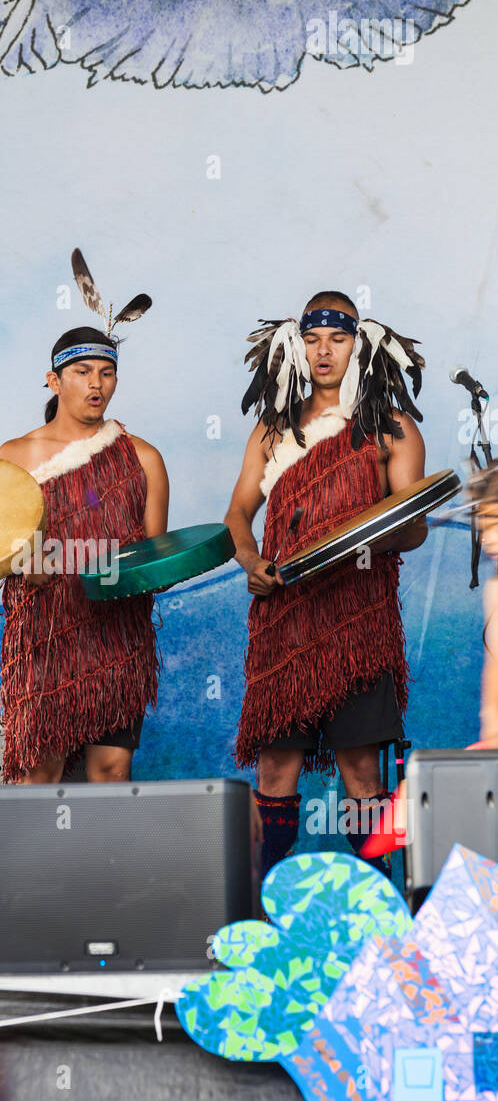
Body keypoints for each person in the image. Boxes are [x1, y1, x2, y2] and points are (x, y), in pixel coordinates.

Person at [224, 291, 427, 880]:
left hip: (358, 623)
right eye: (312, 339)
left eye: (337, 338)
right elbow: (238, 511)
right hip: (283, 622)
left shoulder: (391, 428)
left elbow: (410, 526)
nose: (323, 351)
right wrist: (249, 558)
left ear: (358, 345)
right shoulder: (274, 429)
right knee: (275, 773)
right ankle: (260, 911)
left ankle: (382, 910)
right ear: (295, 345)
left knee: (362, 774)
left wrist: (366, 538)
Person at [0, 322, 168, 783]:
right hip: (43, 638)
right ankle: (42, 859)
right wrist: (28, 565)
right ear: (53, 381)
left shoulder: (143, 458)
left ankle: (106, 858)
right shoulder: (14, 456)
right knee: (39, 774)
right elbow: (1, 550)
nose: (96, 383)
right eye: (82, 370)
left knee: (111, 772)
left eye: (107, 372)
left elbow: (156, 561)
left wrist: (144, 572)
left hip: (116, 638)